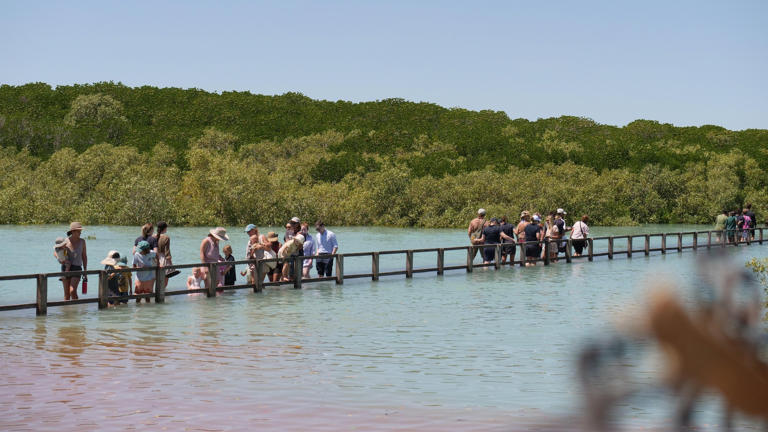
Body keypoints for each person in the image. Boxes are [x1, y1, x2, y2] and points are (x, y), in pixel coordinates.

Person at [63, 222, 87, 300]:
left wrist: (85, 270)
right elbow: (56, 252)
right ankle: (68, 311)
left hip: (77, 267)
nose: (80, 232)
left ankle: (75, 309)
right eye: (78, 231)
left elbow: (84, 256)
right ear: (73, 231)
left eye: (80, 231)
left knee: (72, 291)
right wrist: (61, 260)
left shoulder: (82, 241)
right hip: (66, 268)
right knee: (66, 295)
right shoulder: (65, 241)